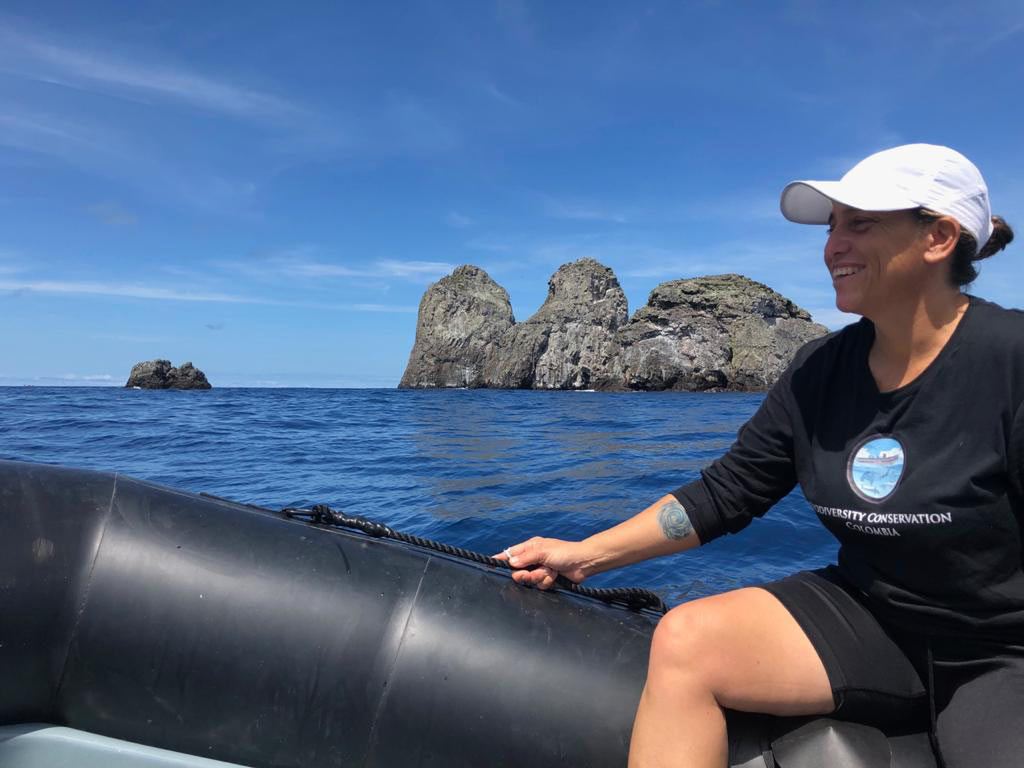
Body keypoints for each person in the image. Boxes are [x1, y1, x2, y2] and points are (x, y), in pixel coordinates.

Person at [495, 144, 1022, 768]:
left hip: (1001, 649)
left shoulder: (1009, 359)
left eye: (860, 224)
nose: (834, 247)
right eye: (832, 228)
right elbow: (728, 493)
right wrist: (585, 555)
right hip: (872, 612)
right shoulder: (820, 369)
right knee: (686, 640)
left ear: (939, 238)